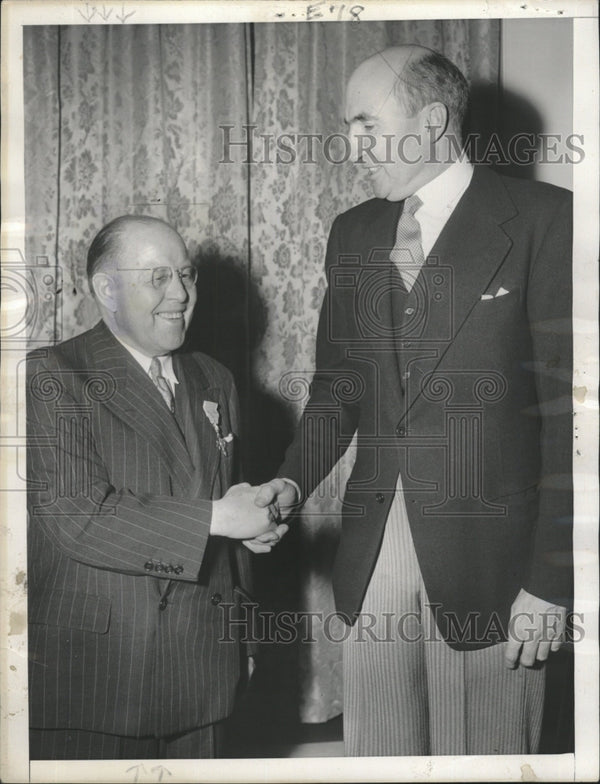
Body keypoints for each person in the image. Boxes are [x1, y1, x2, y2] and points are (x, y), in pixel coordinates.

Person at [256, 45, 573, 755]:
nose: (350, 144)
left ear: (431, 122)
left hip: (497, 563)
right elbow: (341, 385)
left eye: (366, 123)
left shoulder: (547, 220)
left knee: (487, 759)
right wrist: (289, 480)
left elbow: (573, 419)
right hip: (375, 554)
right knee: (381, 758)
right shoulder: (355, 231)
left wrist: (551, 584)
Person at [26, 215, 286, 759]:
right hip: (98, 679)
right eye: (159, 277)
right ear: (106, 288)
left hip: (205, 672)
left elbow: (221, 505)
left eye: (187, 275)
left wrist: (250, 534)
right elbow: (78, 516)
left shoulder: (215, 378)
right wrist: (220, 518)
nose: (181, 293)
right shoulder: (54, 374)